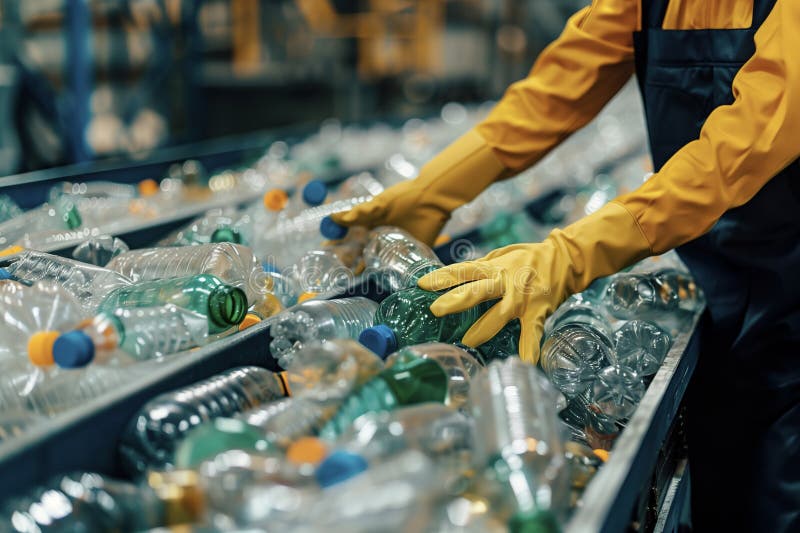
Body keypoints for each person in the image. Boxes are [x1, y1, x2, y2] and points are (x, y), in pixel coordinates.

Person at [331, 0, 800, 530]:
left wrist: (572, 254)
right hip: (722, 274)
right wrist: (439, 187)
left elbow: (756, 132)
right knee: (729, 478)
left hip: (790, 282)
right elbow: (560, 86)